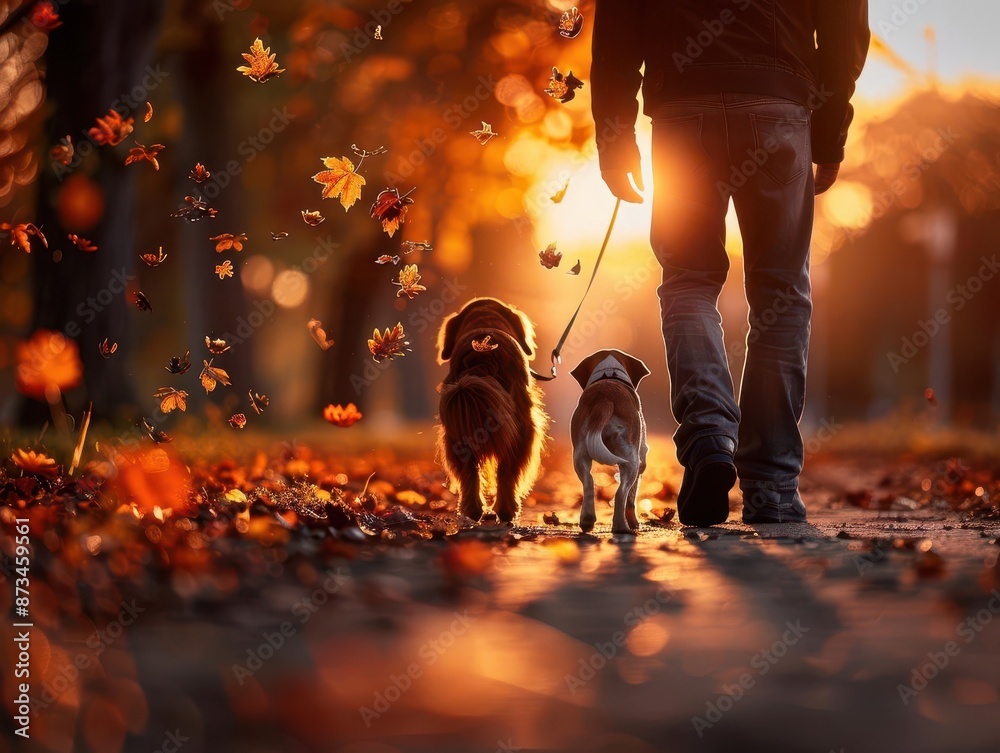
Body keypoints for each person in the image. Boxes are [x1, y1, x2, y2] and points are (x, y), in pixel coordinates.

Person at [591, 1, 870, 525]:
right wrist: (829, 128)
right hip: (778, 102)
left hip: (682, 107)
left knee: (687, 281)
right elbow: (844, 24)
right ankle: (771, 488)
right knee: (781, 294)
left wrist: (614, 134)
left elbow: (618, 27)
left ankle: (709, 437)